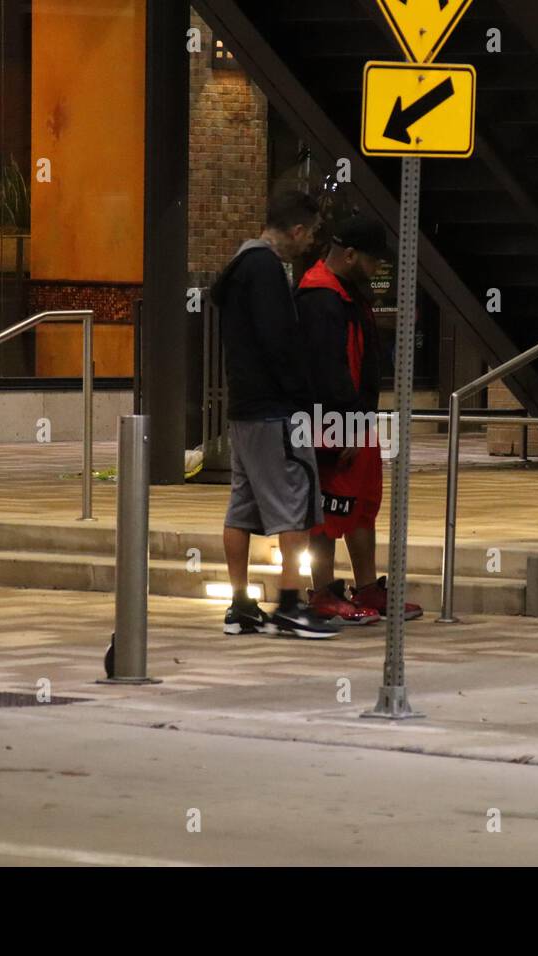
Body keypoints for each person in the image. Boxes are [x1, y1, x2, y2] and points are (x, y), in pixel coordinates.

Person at [209, 191, 340, 639]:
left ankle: (242, 603)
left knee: (242, 507)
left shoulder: (239, 268)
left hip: (245, 408)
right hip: (275, 410)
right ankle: (289, 603)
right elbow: (279, 342)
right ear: (297, 230)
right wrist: (301, 398)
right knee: (295, 504)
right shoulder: (266, 270)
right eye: (309, 237)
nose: (309, 247)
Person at [297, 215, 422, 624]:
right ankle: (323, 591)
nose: (376, 269)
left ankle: (367, 587)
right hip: (329, 420)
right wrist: (344, 424)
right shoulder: (319, 297)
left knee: (362, 504)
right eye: (371, 261)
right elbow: (325, 369)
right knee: (328, 508)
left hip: (355, 417)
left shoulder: (349, 293)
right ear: (349, 255)